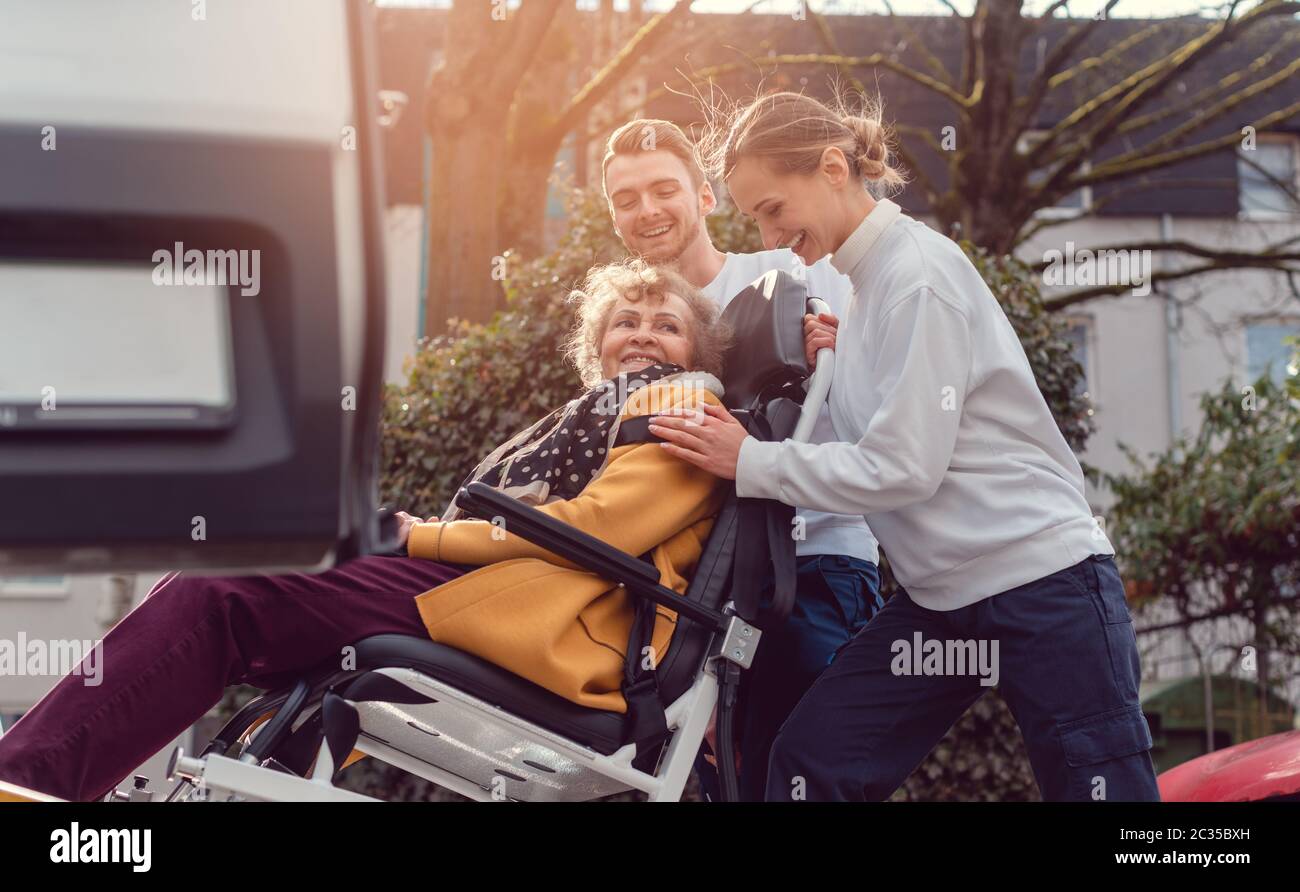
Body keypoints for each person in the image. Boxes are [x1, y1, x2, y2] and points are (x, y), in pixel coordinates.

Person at [0, 259, 742, 802]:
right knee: (232, 581)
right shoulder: (594, 413)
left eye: (667, 325)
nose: (642, 336)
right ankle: (39, 779)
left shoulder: (683, 408)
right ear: (597, 344)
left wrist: (418, 538)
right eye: (626, 322)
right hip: (495, 589)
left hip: (556, 625)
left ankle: (27, 780)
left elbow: (597, 529)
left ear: (697, 354)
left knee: (227, 591)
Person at [647, 91, 1161, 802]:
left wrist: (751, 460)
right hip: (945, 603)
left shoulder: (916, 275)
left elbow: (904, 466)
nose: (769, 233)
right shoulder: (861, 294)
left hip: (1045, 587)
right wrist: (842, 352)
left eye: (771, 209)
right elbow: (884, 428)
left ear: (832, 167)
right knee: (809, 762)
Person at [601, 118, 885, 801]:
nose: (648, 210)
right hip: (691, 597)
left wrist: (839, 352)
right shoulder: (635, 325)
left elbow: (875, 403)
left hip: (808, 566)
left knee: (797, 776)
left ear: (704, 197)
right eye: (627, 198)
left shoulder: (789, 270)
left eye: (664, 189)